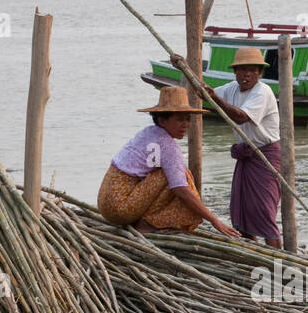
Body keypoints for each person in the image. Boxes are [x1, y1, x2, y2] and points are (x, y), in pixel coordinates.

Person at [177, 47, 284, 249]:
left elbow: (241, 116)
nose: (246, 75)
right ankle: (250, 251)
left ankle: (279, 259)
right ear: (235, 72)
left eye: (252, 70)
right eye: (242, 70)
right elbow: (204, 93)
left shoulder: (262, 92)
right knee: (242, 209)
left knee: (263, 210)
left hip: (264, 155)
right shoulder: (232, 88)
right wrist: (186, 69)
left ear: (259, 72)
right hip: (246, 154)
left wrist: (215, 99)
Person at [98, 86, 238, 237]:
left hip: (105, 203)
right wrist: (214, 220)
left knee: (170, 171)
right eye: (179, 119)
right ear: (162, 121)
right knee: (180, 175)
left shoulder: (147, 132)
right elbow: (181, 190)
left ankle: (140, 221)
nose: (185, 125)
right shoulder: (167, 146)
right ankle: (146, 224)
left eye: (187, 119)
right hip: (120, 208)